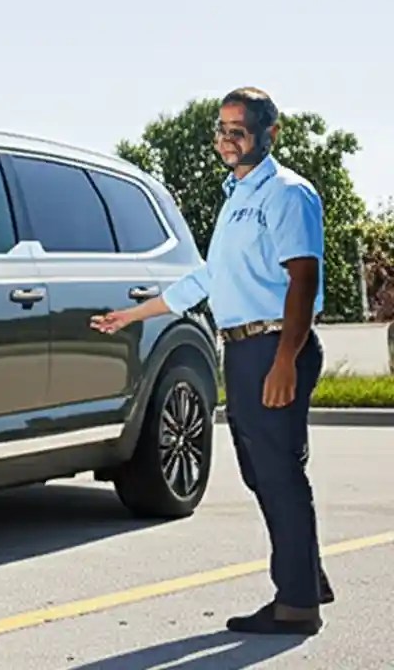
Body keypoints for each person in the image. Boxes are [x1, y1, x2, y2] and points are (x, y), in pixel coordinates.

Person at [90, 86, 333, 635]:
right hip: (245, 347)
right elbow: (206, 280)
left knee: (277, 473)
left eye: (238, 130)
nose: (226, 140)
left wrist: (286, 360)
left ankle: (296, 603)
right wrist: (133, 315)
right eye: (221, 130)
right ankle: (306, 577)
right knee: (263, 471)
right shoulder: (238, 196)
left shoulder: (287, 194)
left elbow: (303, 278)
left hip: (274, 345)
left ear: (270, 133)